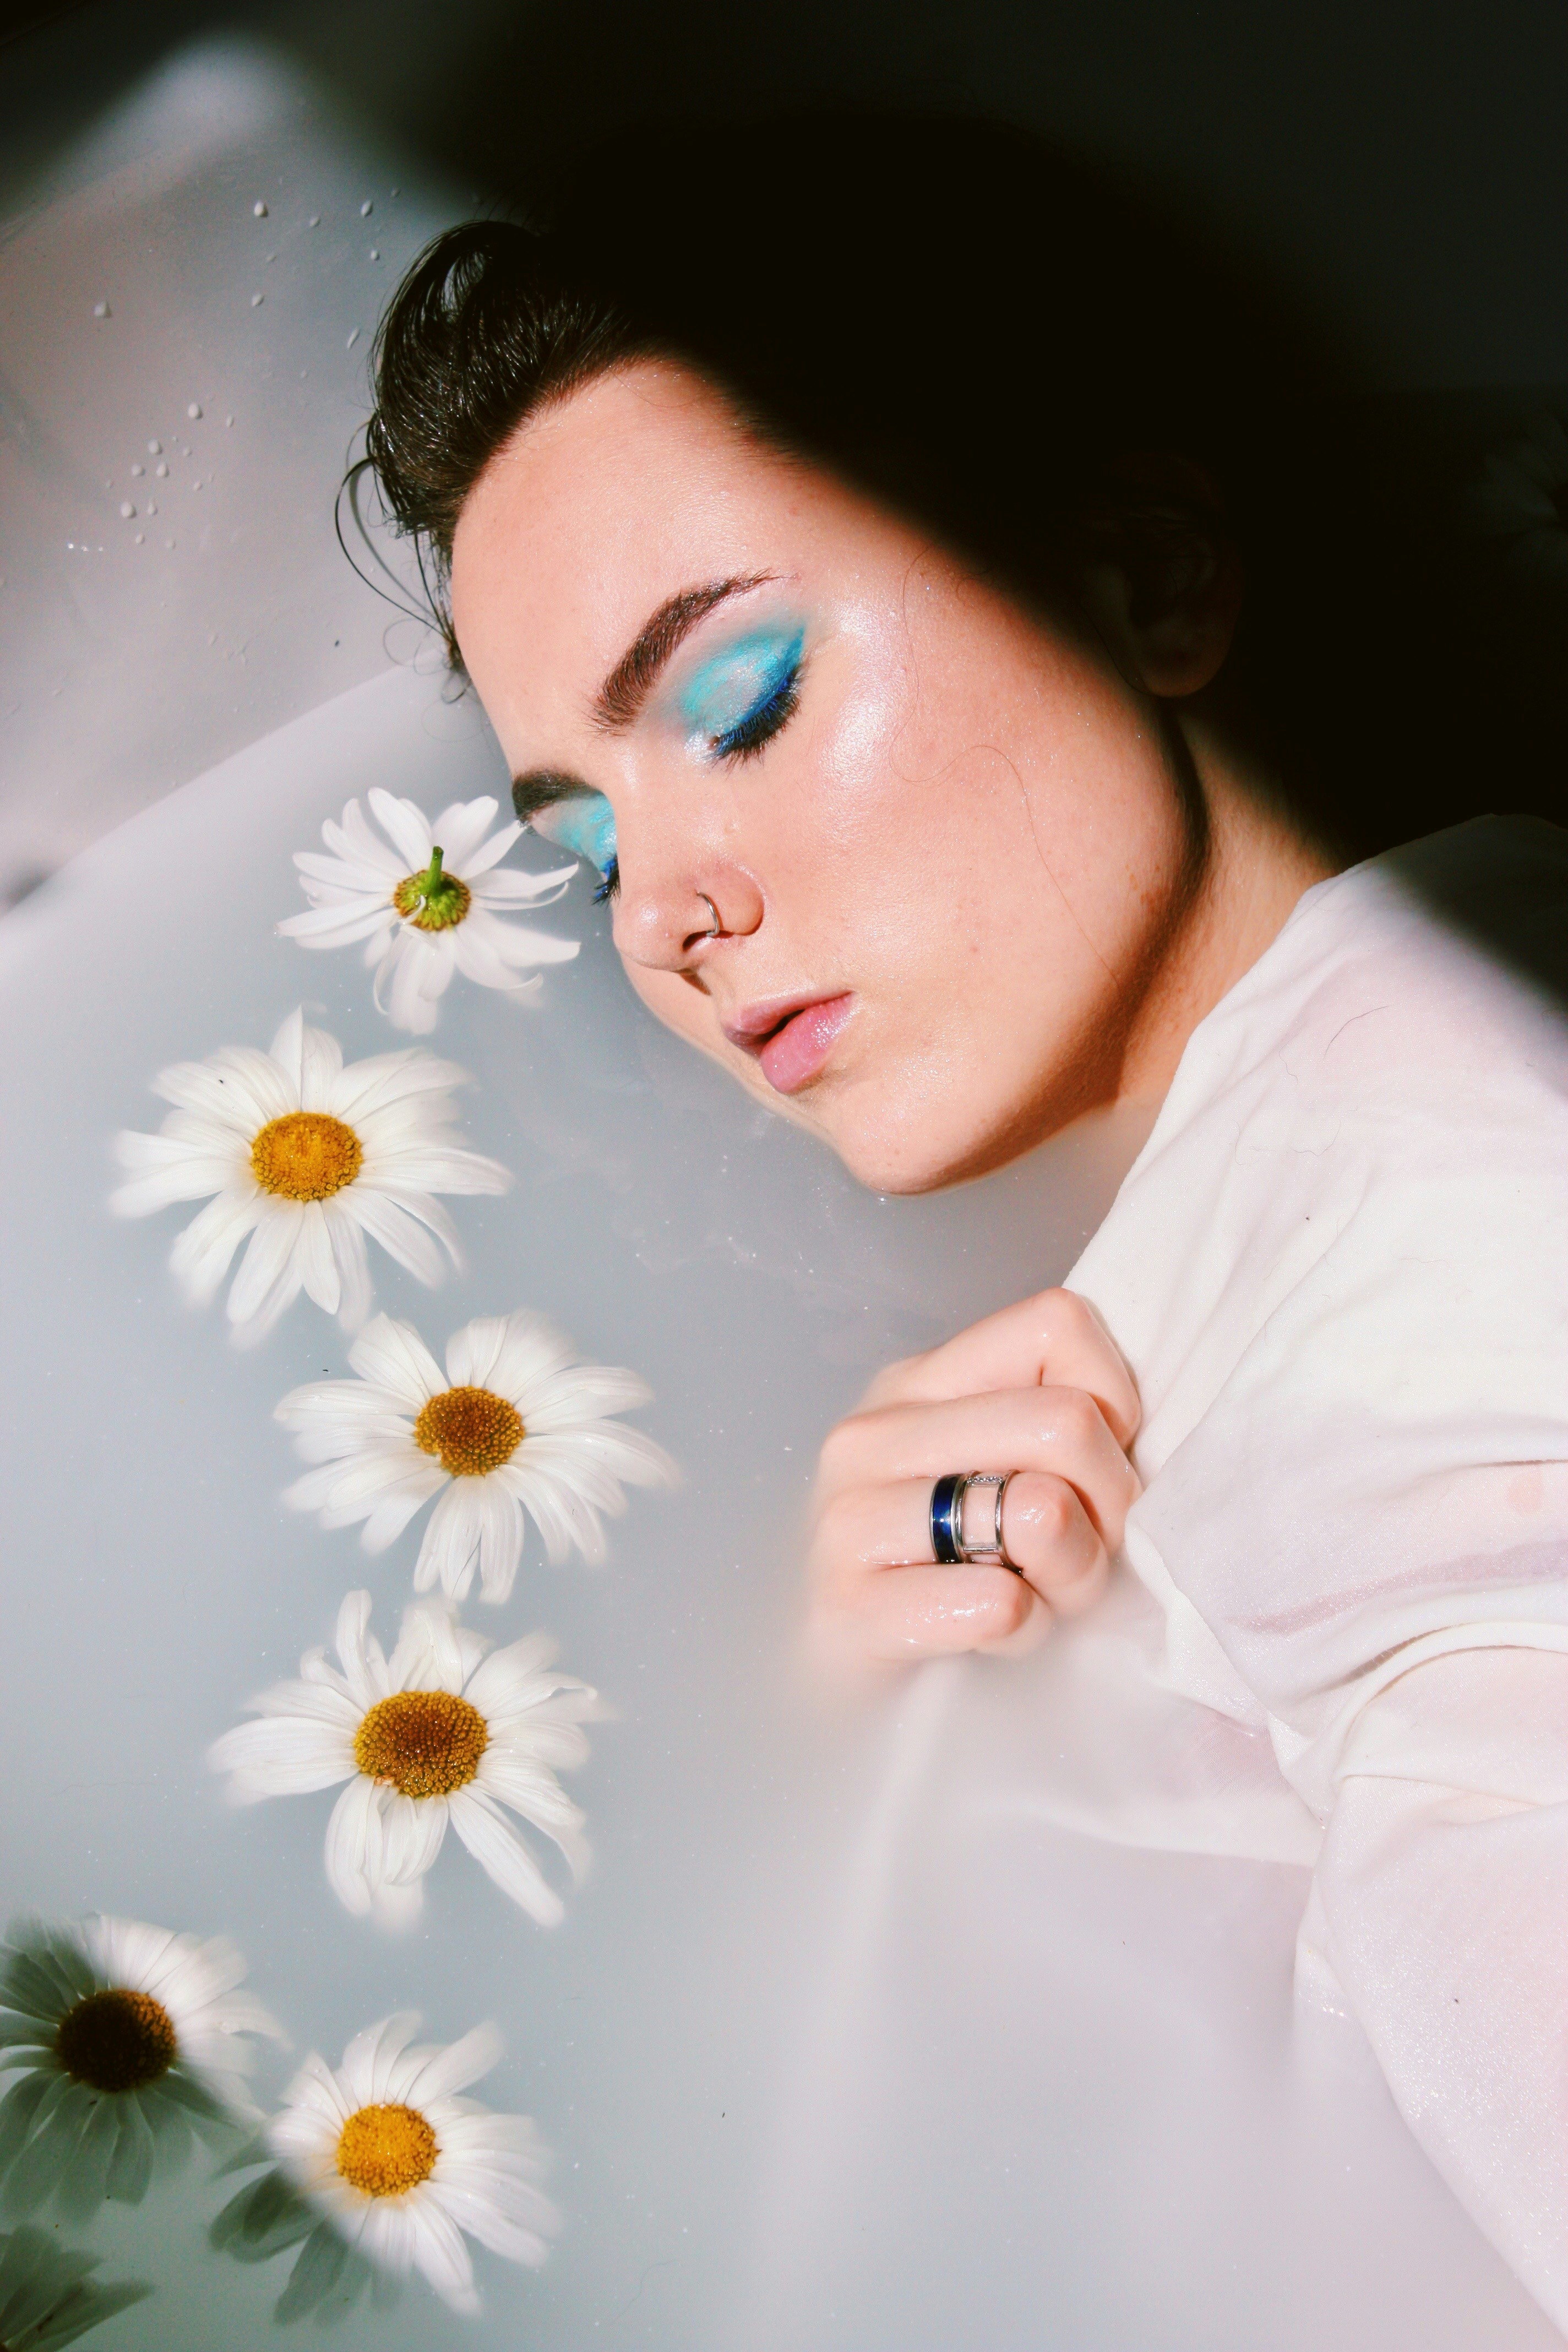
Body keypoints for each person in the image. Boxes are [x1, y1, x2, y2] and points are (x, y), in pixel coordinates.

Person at [360, 113, 1568, 2328]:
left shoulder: (1408, 1235)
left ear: (1147, 579)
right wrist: (908, 1713)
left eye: (737, 698)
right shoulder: (1448, 985)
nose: (664, 915)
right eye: (586, 843)